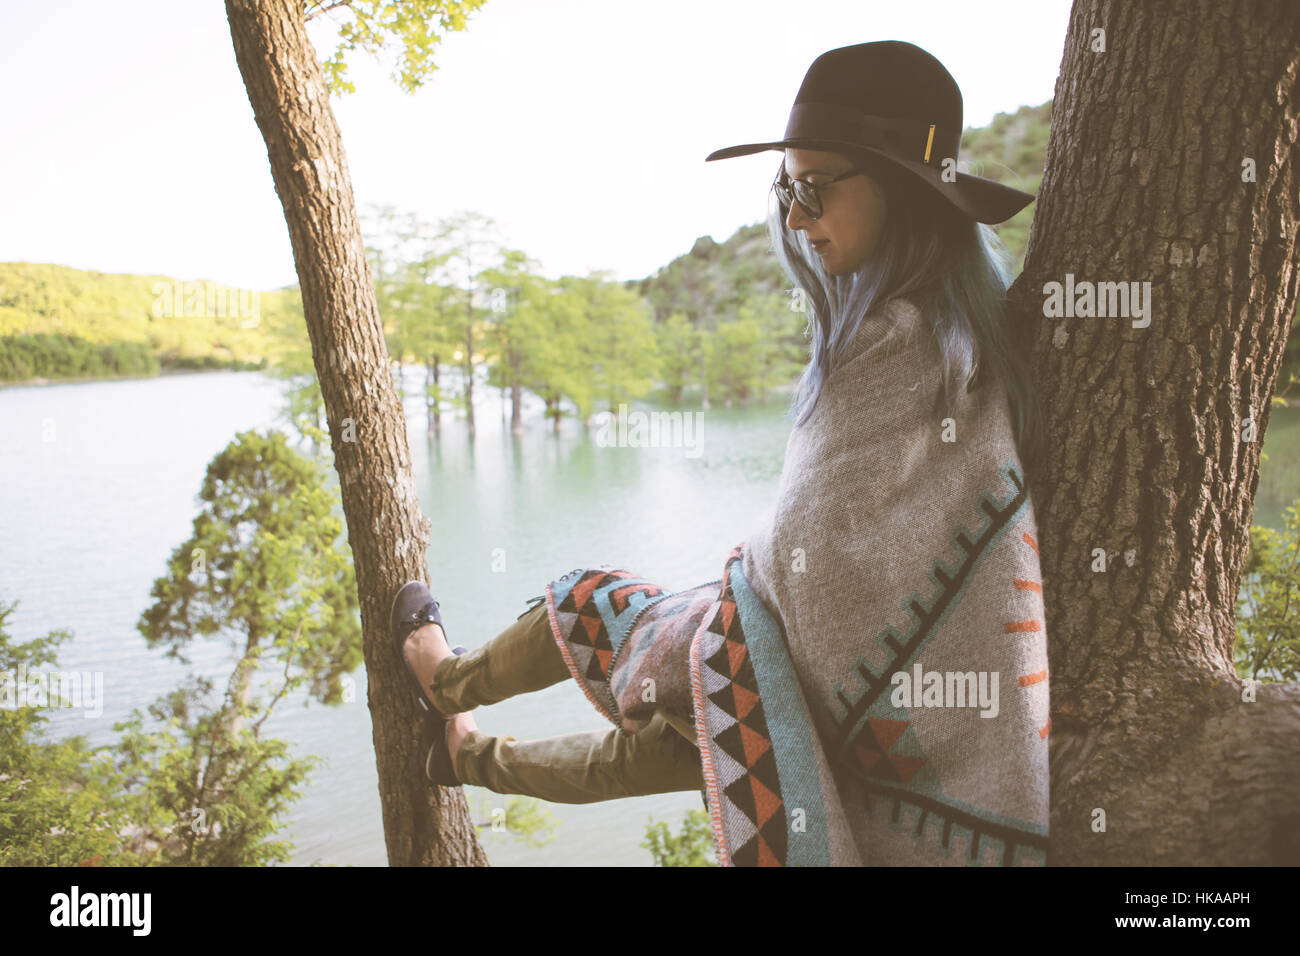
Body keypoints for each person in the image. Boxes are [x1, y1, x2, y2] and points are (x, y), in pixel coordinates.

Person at [392, 40, 1049, 865]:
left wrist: (744, 585)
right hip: (908, 739)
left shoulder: (896, 338)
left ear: (903, 190)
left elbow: (822, 557)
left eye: (814, 188)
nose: (796, 218)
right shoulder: (970, 329)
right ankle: (464, 758)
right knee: (682, 749)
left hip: (840, 694)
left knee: (592, 602)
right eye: (786, 189)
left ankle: (448, 684)